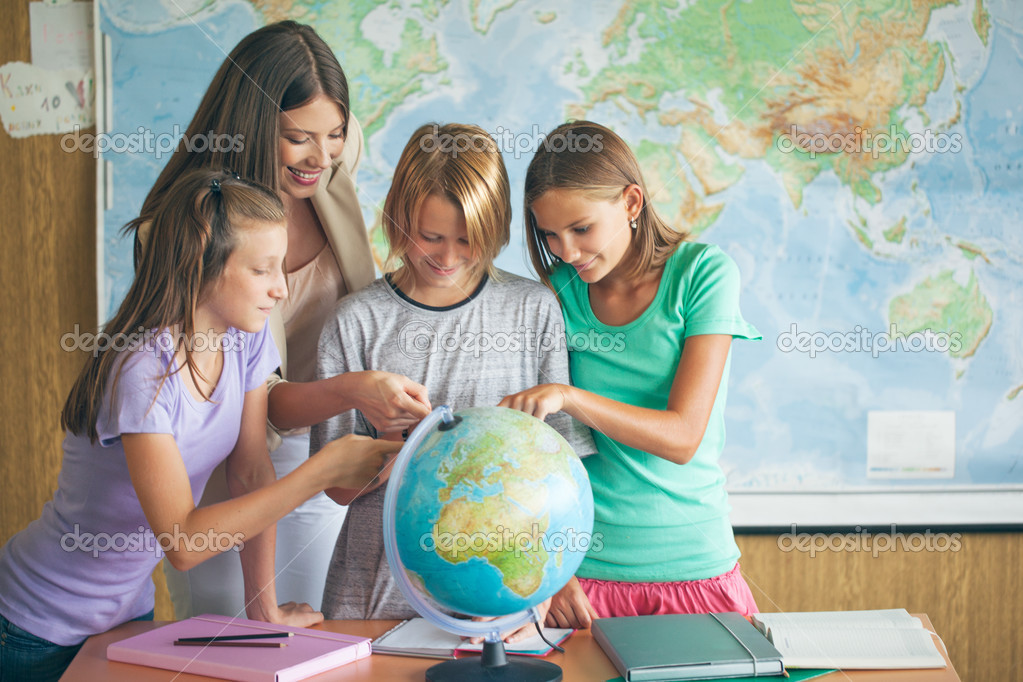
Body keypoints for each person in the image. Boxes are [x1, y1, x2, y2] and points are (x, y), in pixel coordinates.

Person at [0, 170, 399, 682]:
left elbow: (252, 473)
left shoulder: (246, 340)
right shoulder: (141, 369)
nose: (280, 289)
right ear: (202, 264)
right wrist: (321, 472)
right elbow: (183, 543)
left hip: (126, 616)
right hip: (35, 626)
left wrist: (265, 612)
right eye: (263, 270)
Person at [129, 21, 430, 617]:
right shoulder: (185, 233)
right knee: (229, 639)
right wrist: (355, 391)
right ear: (251, 127)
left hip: (331, 456)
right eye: (299, 139)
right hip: (227, 469)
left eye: (336, 134)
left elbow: (333, 137)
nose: (323, 157)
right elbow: (252, 405)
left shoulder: (327, 166)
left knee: (314, 635)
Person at [312, 123, 595, 626]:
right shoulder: (356, 322)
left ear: (495, 228)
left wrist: (559, 572)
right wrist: (393, 444)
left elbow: (560, 470)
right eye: (430, 237)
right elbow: (335, 489)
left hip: (506, 598)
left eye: (468, 240)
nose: (448, 258)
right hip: (375, 603)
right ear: (400, 218)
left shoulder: (534, 310)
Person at [500, 120, 762, 628]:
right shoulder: (557, 292)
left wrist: (569, 396)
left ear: (632, 203)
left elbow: (683, 436)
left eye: (581, 229)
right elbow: (536, 451)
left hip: (695, 570)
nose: (567, 252)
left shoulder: (703, 275)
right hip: (581, 580)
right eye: (550, 234)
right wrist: (554, 569)